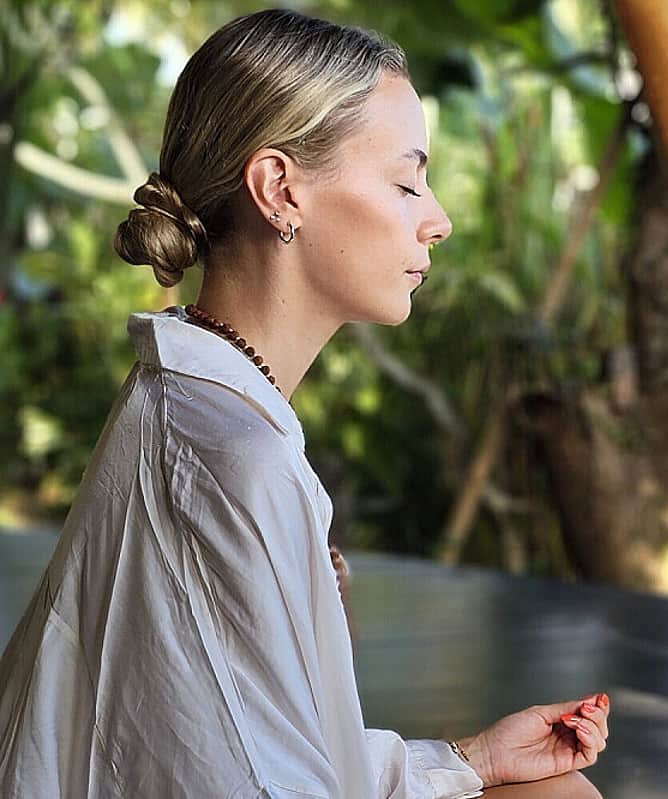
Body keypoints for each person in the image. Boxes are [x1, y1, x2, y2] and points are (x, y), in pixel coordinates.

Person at [0, 9, 609, 797]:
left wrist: (470, 758)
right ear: (280, 190)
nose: (438, 220)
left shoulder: (201, 401)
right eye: (406, 182)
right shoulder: (229, 456)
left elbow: (267, 746)